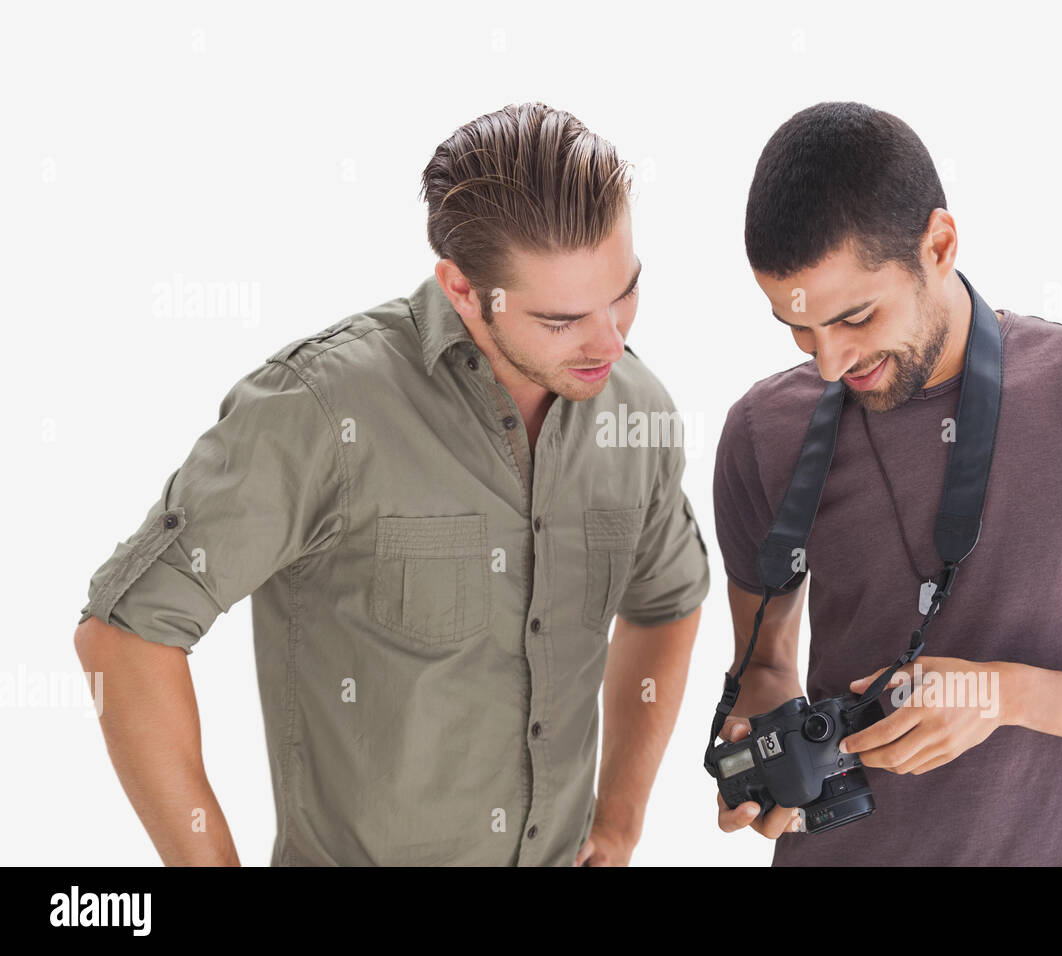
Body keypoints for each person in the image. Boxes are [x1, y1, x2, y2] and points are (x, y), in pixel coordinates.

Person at [74, 102, 709, 866]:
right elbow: (125, 632)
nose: (610, 340)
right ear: (463, 289)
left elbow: (667, 600)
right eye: (562, 318)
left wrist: (620, 822)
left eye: (625, 292)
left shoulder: (636, 410)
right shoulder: (319, 410)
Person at [711, 101, 1062, 865]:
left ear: (939, 243)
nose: (829, 362)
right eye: (799, 327)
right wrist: (759, 739)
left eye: (856, 317)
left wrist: (1005, 695)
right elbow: (763, 663)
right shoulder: (762, 432)